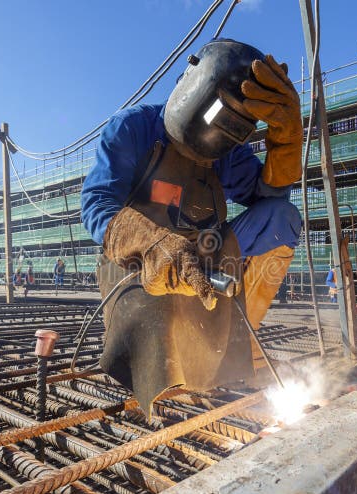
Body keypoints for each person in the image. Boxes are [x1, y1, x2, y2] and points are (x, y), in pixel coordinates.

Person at [80, 39, 302, 409]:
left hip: (205, 263)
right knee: (161, 372)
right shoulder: (132, 129)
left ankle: (243, 350)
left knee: (282, 217)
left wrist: (287, 143)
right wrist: (152, 244)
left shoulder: (226, 152)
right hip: (141, 269)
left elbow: (269, 199)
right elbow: (96, 205)